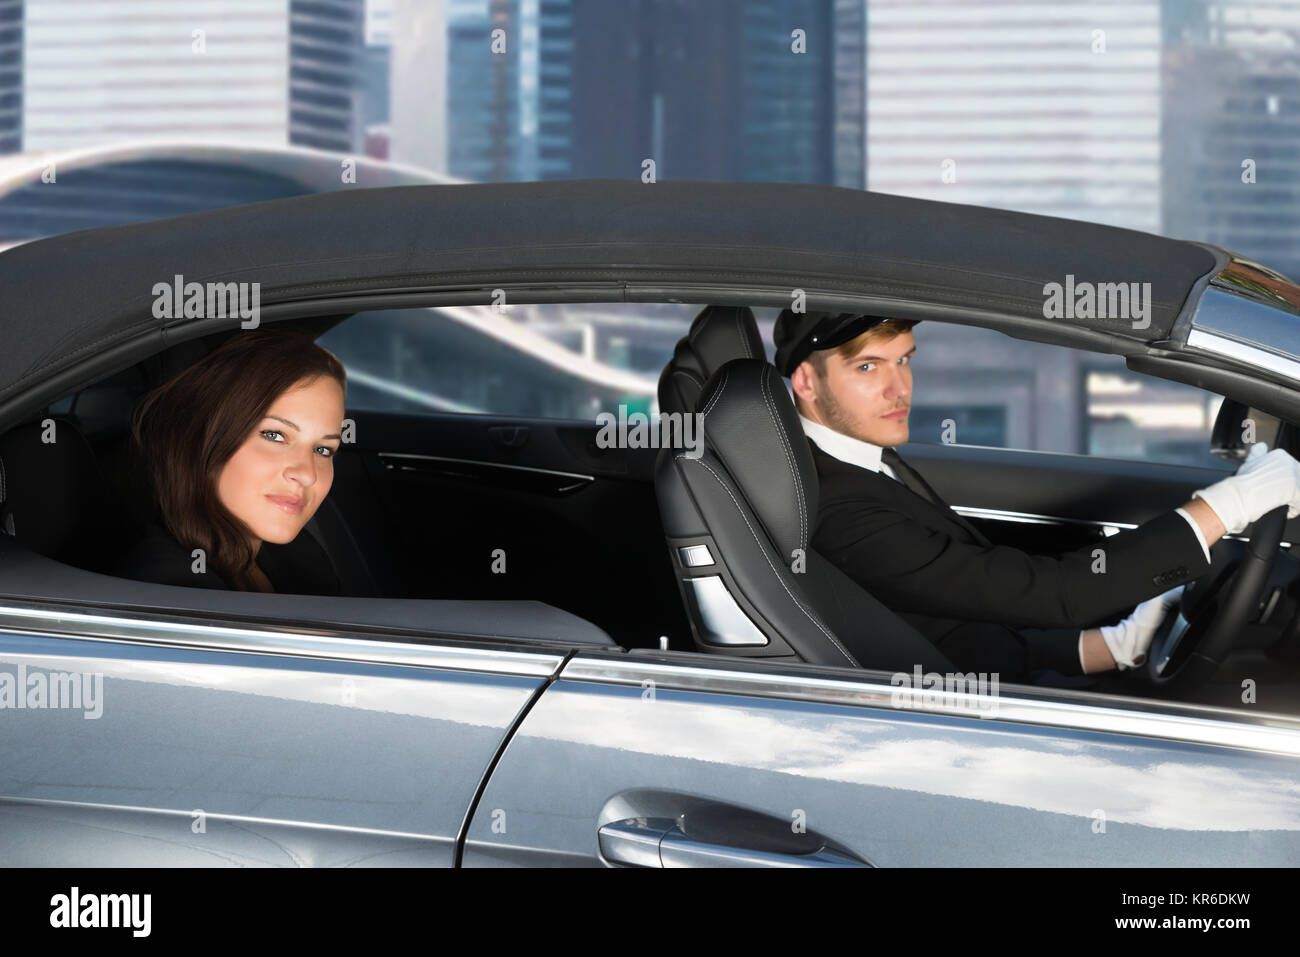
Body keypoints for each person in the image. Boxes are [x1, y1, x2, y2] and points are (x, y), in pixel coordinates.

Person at [772, 309, 1300, 682]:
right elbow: (1054, 594)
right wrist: (1234, 502)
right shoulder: (838, 507)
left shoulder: (860, 456)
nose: (899, 389)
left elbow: (953, 615)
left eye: (903, 361)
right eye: (868, 367)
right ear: (807, 382)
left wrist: (1114, 647)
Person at [118, 328, 347, 593]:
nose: (308, 474)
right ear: (204, 438)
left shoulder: (298, 554)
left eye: (323, 450)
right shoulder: (168, 591)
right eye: (274, 435)